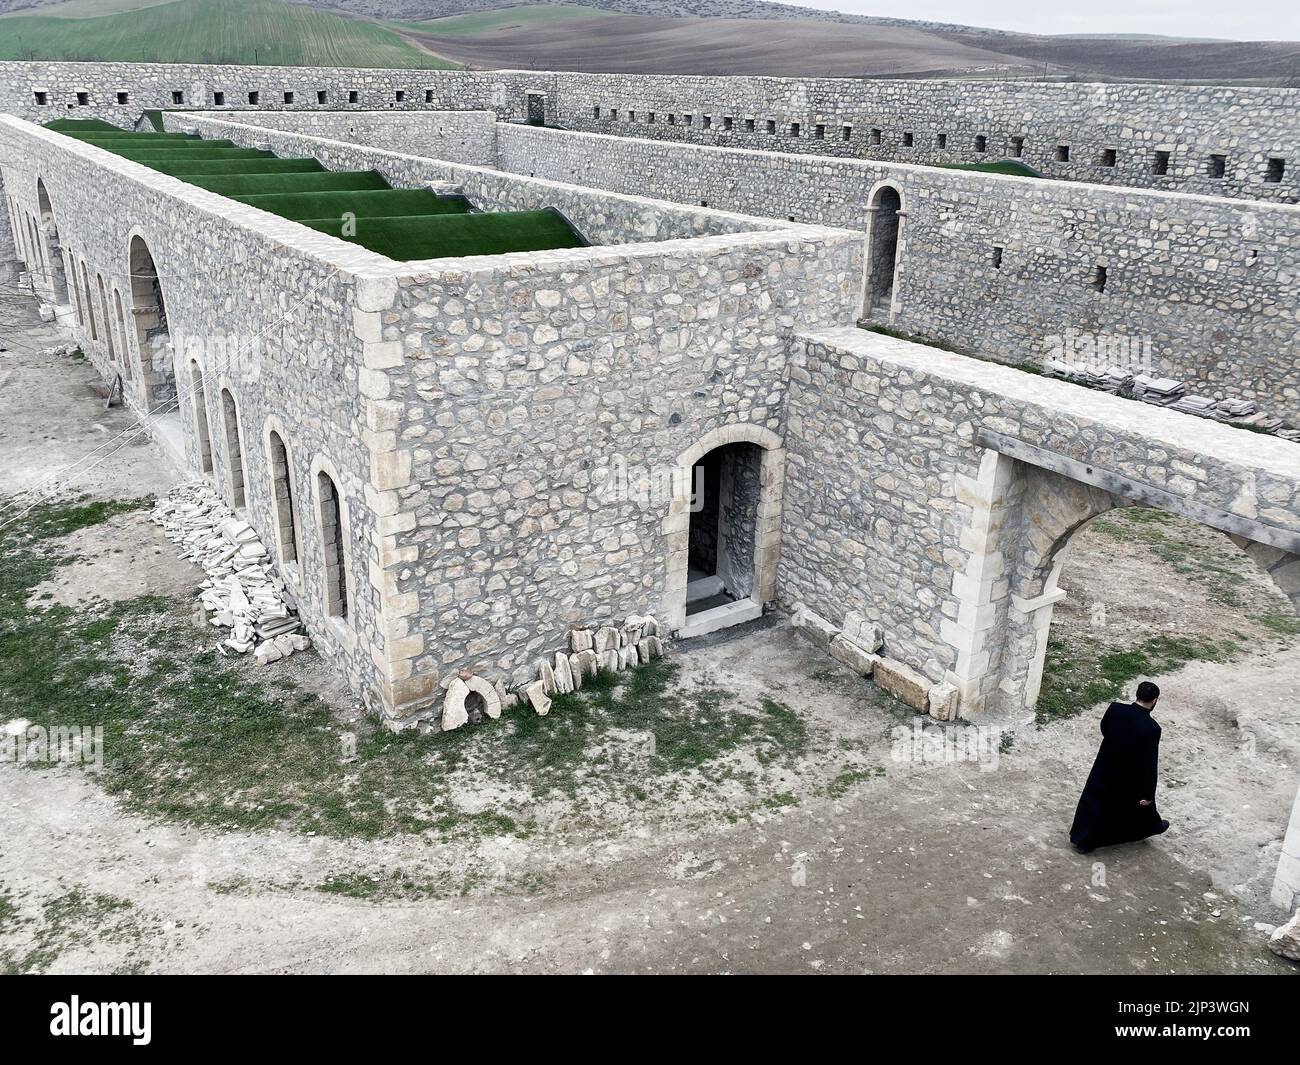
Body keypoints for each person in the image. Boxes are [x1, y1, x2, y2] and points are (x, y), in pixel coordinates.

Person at [1069, 681, 1170, 853]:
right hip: (1128, 773)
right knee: (1121, 808)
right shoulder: (1152, 728)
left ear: (1136, 694)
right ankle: (1152, 826)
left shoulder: (1115, 709)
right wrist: (1148, 793)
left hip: (1104, 763)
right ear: (1154, 701)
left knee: (1093, 801)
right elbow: (1149, 762)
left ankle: (1081, 837)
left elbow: (1105, 728)